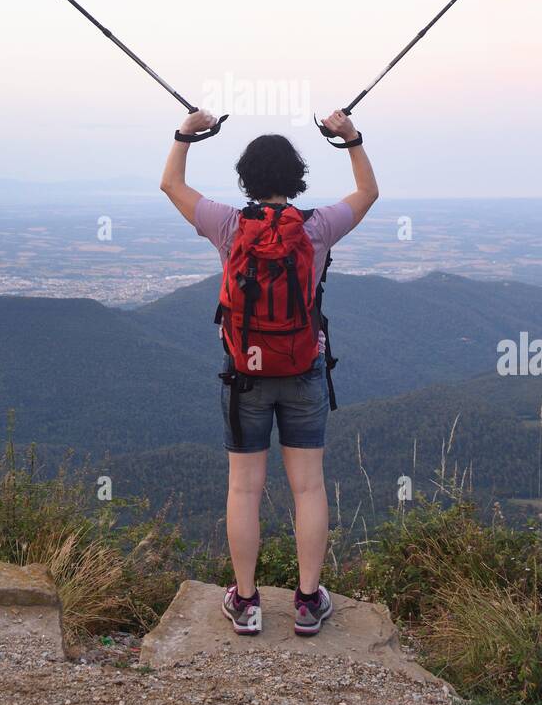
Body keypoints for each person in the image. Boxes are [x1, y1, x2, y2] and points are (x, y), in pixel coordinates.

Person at [160, 108, 379, 637]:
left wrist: (185, 133)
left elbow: (170, 183)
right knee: (308, 488)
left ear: (246, 179)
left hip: (245, 376)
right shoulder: (318, 226)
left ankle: (247, 603)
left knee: (245, 490)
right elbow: (368, 193)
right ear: (296, 179)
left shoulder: (229, 224)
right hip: (304, 370)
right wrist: (350, 139)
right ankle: (307, 603)